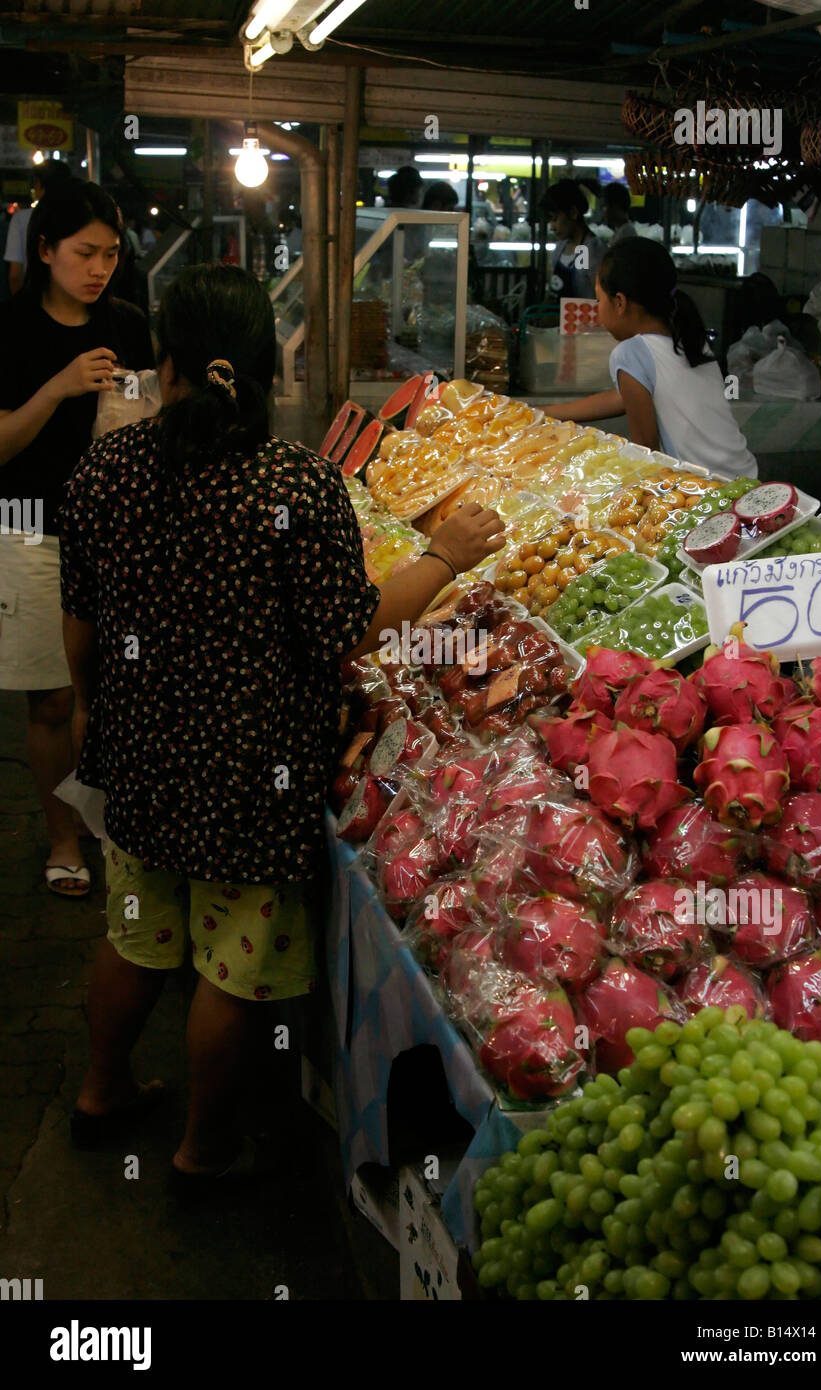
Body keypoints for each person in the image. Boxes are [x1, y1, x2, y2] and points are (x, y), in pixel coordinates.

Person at [57, 263, 505, 1177]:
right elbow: (355, 625)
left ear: (166, 365)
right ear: (270, 373)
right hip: (251, 773)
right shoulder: (294, 484)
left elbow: (81, 622)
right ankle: (203, 1146)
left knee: (135, 935)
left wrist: (90, 709)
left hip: (138, 751)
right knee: (232, 964)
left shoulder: (107, 467)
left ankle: (101, 1091)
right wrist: (446, 554)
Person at [0, 181, 154, 898]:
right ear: (45, 251)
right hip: (27, 526)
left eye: (111, 254)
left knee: (106, 684)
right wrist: (59, 386)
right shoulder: (11, 327)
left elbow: (148, 420)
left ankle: (104, 816)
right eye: (84, 253)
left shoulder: (126, 322)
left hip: (112, 531)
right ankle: (62, 837)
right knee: (52, 698)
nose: (99, 268)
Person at [546, 238, 757, 477]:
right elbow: (622, 398)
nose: (596, 309)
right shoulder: (689, 339)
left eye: (598, 300)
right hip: (745, 477)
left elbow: (647, 456)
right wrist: (546, 412)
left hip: (707, 490)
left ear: (619, 302)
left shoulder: (630, 353)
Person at [5, 161, 73, 295]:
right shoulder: (76, 217)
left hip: (32, 297)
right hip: (69, 297)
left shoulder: (21, 219)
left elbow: (15, 274)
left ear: (39, 184)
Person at [541, 178, 605, 301]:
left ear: (573, 213)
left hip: (583, 319)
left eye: (555, 219)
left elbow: (601, 300)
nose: (552, 227)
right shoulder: (561, 246)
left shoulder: (589, 250)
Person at [601, 182, 638, 246]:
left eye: (605, 205)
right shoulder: (621, 230)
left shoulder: (626, 234)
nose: (603, 210)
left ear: (615, 206)